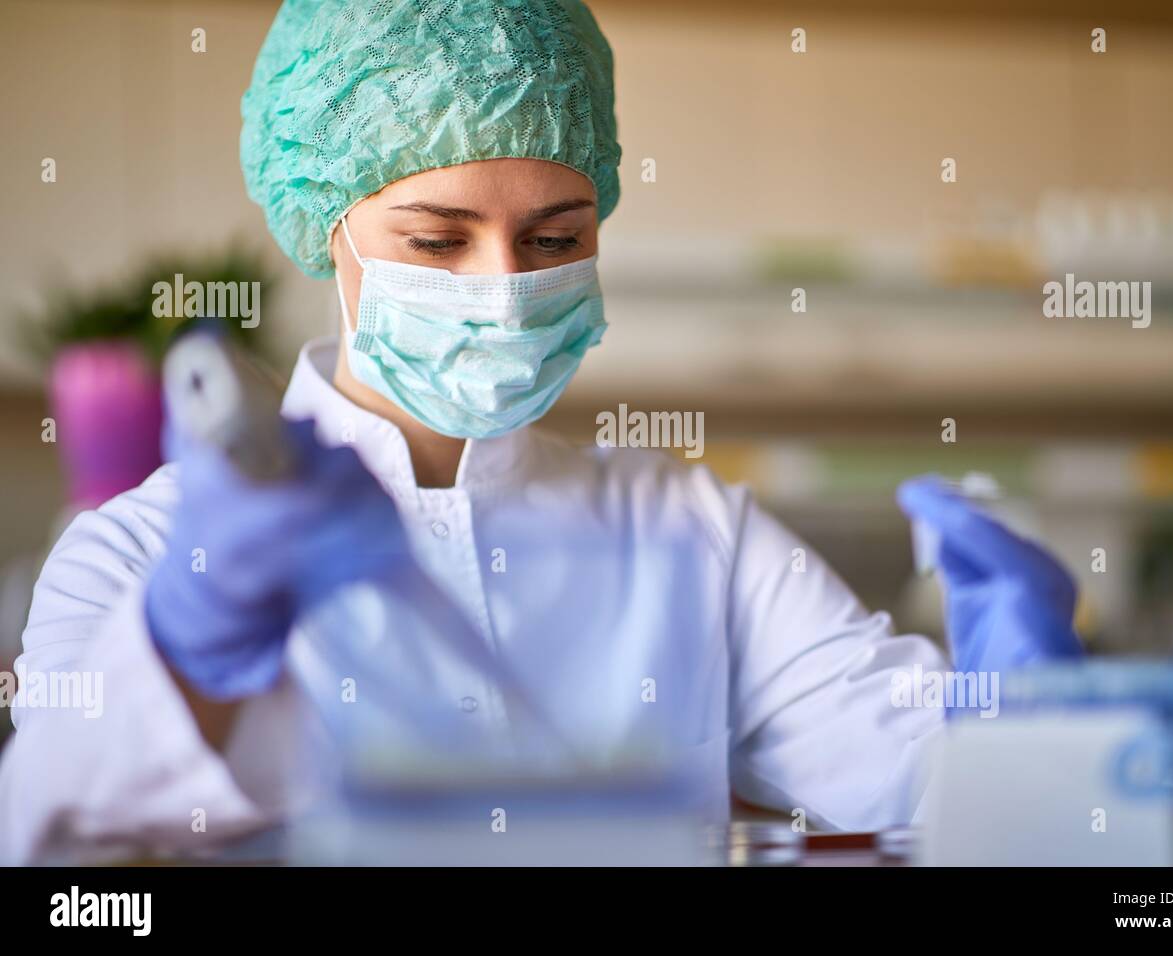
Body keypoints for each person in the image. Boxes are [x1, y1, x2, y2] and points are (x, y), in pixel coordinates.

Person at [0, 0, 1081, 863]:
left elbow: (941, 791)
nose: (505, 289)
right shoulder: (142, 554)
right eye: (436, 239)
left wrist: (1025, 731)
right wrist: (184, 660)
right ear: (327, 229)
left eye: (556, 235)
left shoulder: (686, 526)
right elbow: (54, 866)